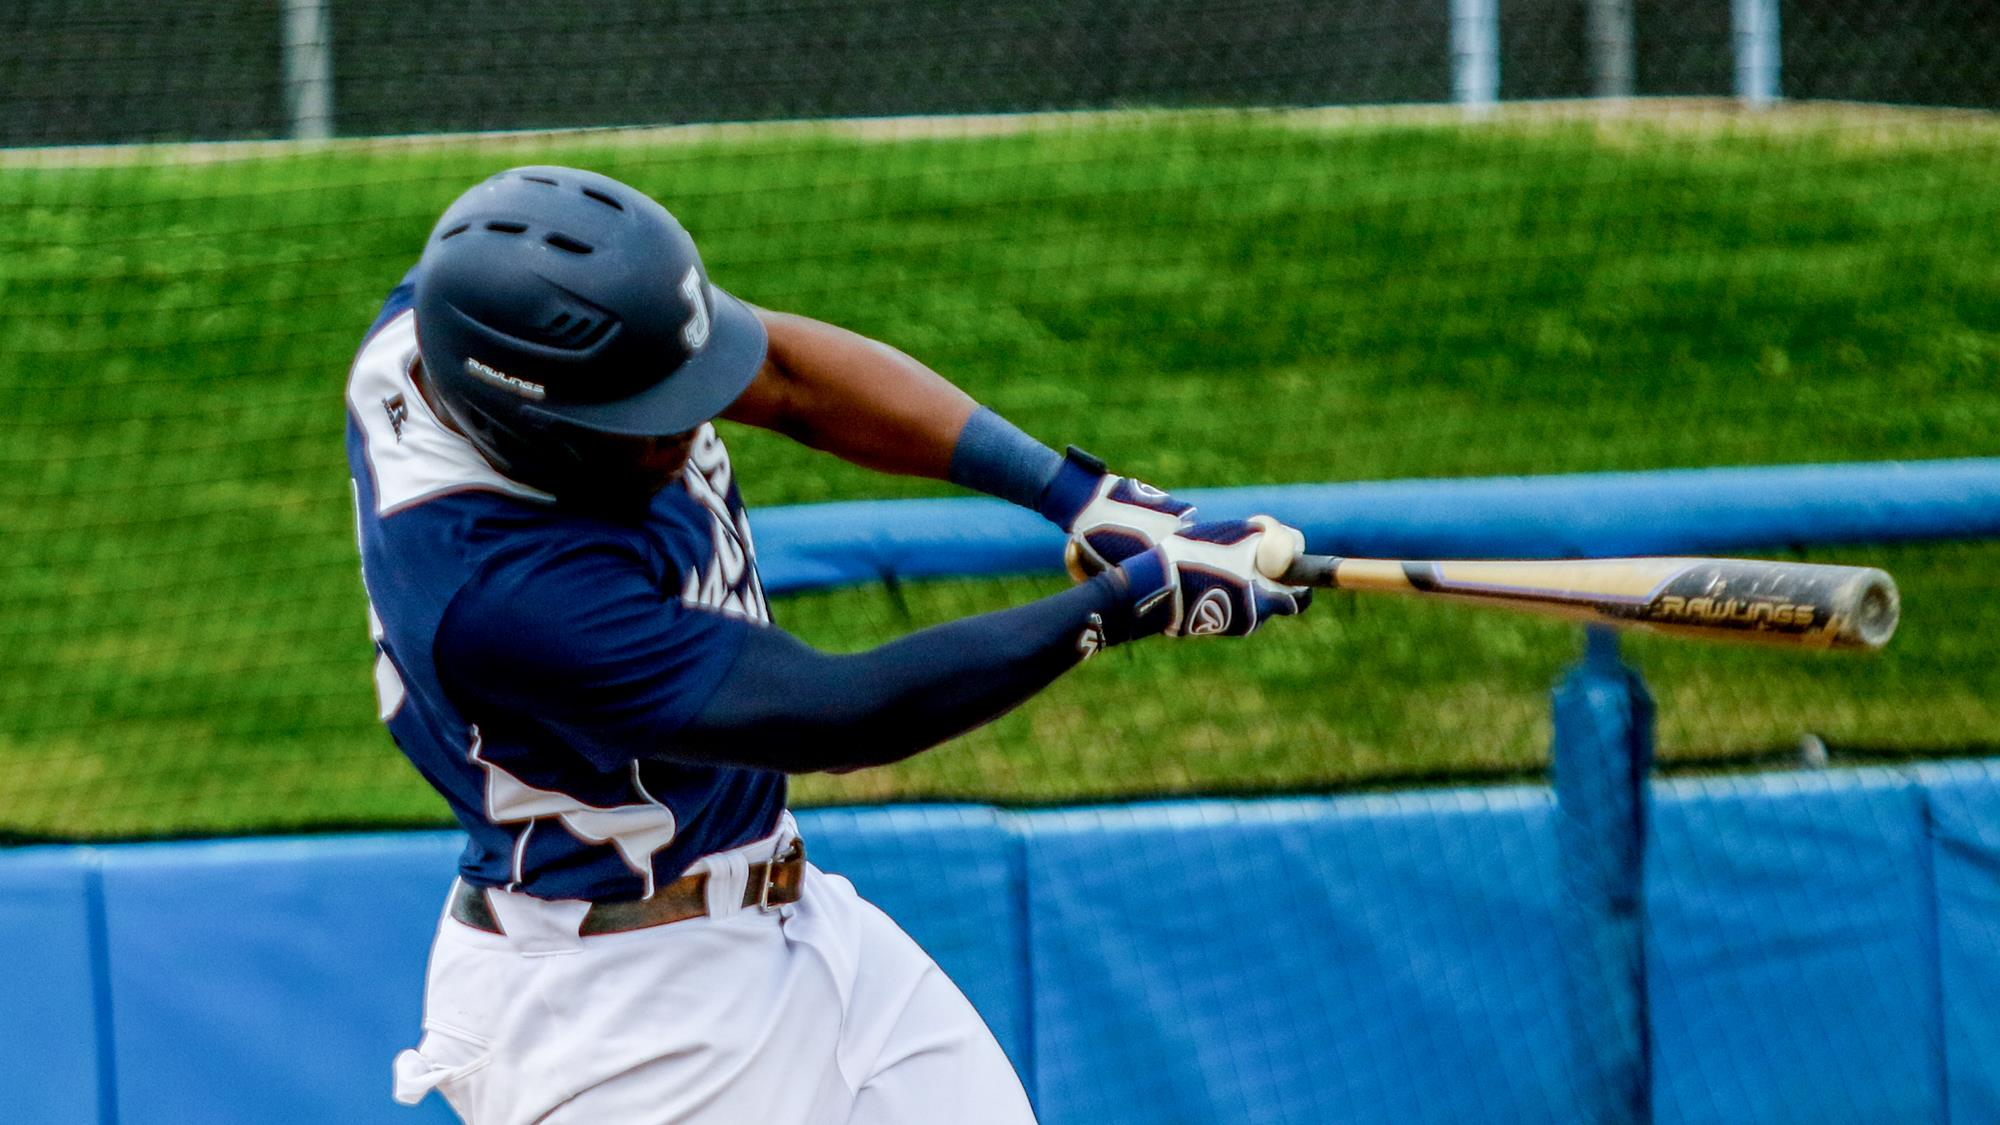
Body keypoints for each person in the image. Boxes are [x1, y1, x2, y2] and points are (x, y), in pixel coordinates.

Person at [349, 165, 1309, 1124]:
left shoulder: (463, 320)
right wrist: (1128, 601)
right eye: (649, 422)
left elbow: (787, 377)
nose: (692, 422)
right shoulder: (503, 598)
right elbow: (846, 712)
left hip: (787, 914)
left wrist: (1079, 495)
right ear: (532, 428)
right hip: (621, 1018)